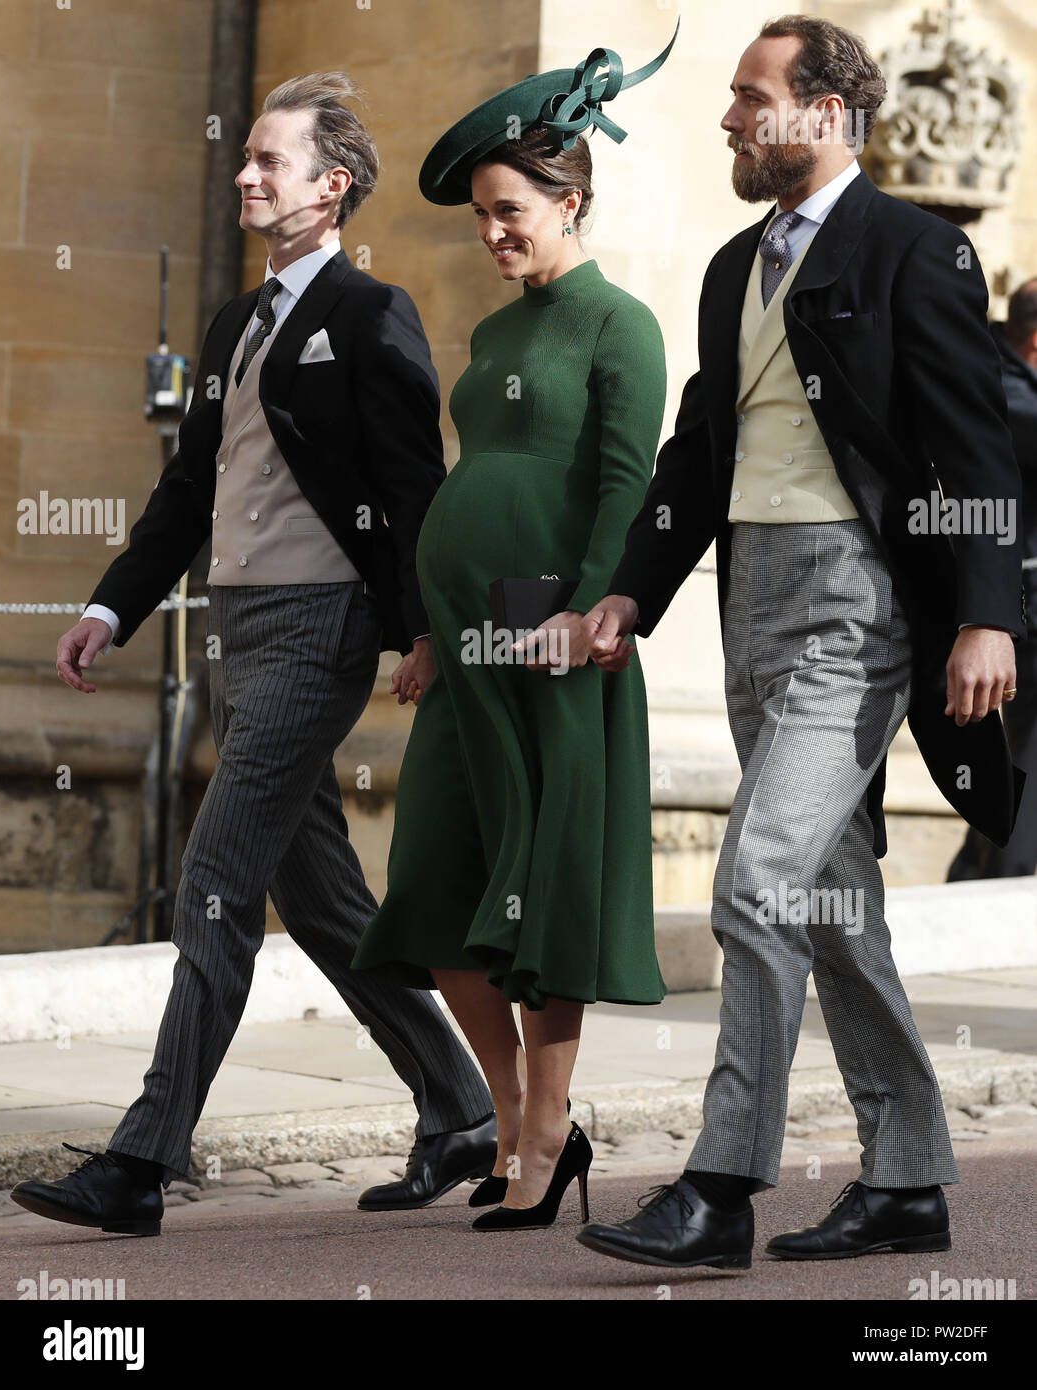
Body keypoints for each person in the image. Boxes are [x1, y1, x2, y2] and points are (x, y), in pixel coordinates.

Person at [11, 72, 497, 1238]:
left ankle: (144, 1156)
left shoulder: (371, 315)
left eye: (269, 160)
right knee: (320, 897)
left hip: (320, 628)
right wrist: (112, 608)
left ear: (332, 187)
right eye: (247, 159)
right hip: (235, 630)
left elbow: (410, 485)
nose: (245, 173)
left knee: (215, 874)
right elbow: (187, 495)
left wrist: (420, 626)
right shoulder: (235, 323)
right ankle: (462, 1107)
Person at [576, 14, 1023, 1271]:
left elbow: (973, 448)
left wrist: (986, 611)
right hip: (747, 593)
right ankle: (908, 1180)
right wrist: (630, 591)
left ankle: (720, 1187)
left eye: (748, 96)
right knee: (830, 902)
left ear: (824, 113)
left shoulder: (916, 252)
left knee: (756, 876)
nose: (727, 116)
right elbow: (701, 447)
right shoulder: (732, 267)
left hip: (857, 600)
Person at [351, 33, 677, 1231]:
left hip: (554, 646)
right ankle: (515, 1118)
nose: (492, 233)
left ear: (568, 200)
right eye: (484, 215)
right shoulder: (492, 338)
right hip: (468, 645)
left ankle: (544, 1138)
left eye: (509, 211)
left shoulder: (619, 325)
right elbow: (468, 477)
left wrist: (588, 614)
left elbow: (625, 480)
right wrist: (431, 631)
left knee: (539, 894)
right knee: (438, 893)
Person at [947, 278, 1037, 879]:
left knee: (1019, 747)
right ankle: (1009, 874)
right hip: (1019, 603)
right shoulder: (1004, 387)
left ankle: (983, 871)